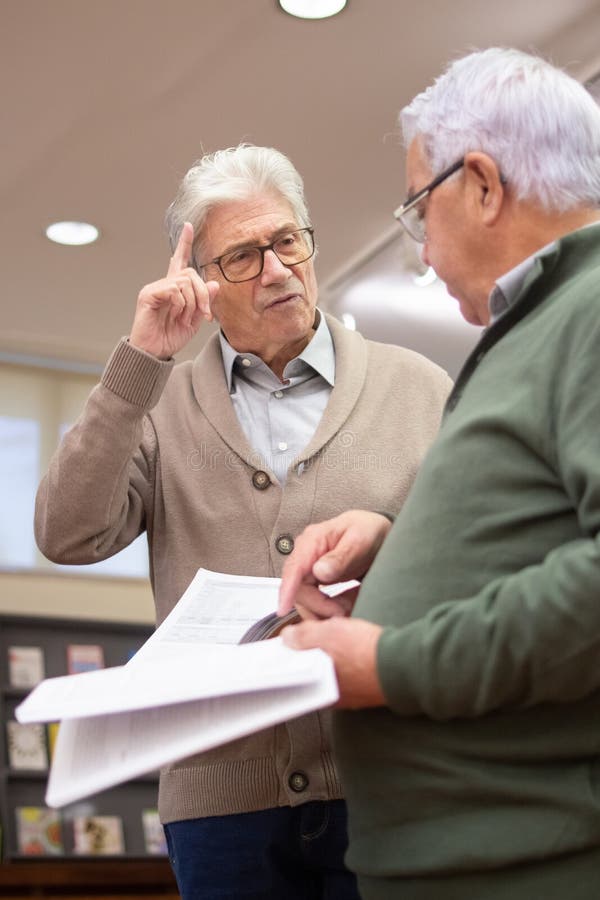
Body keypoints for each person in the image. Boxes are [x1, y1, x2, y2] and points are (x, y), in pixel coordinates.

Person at [34, 143, 451, 899]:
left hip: (392, 782)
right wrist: (140, 362)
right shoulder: (156, 405)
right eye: (243, 256)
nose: (278, 269)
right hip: (222, 811)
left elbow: (468, 561)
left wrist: (386, 530)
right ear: (199, 283)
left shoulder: (420, 389)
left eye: (287, 240)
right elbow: (67, 533)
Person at [278, 48, 600, 900]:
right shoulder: (542, 325)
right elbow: (542, 529)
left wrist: (395, 664)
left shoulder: (592, 310)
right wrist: (395, 548)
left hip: (528, 864)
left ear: (485, 185)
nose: (421, 252)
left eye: (420, 210)